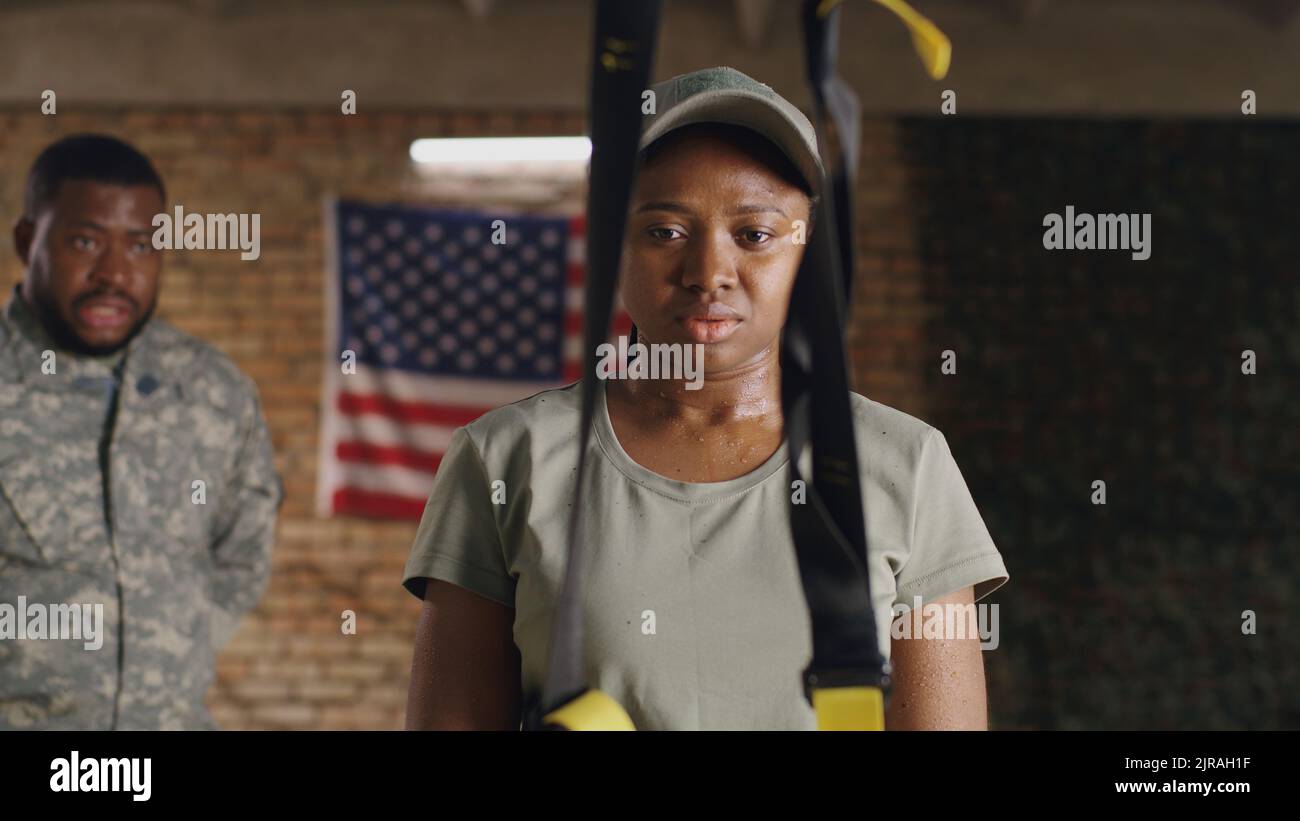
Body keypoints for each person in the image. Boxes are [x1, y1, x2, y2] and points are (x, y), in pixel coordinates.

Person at [402, 67, 1009, 730]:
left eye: (754, 234)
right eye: (664, 230)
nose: (709, 273)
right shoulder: (505, 459)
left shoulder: (908, 465)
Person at [0, 134, 282, 729]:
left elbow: (241, 558)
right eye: (84, 241)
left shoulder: (212, 390)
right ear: (28, 242)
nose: (114, 273)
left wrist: (165, 652)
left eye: (140, 245)